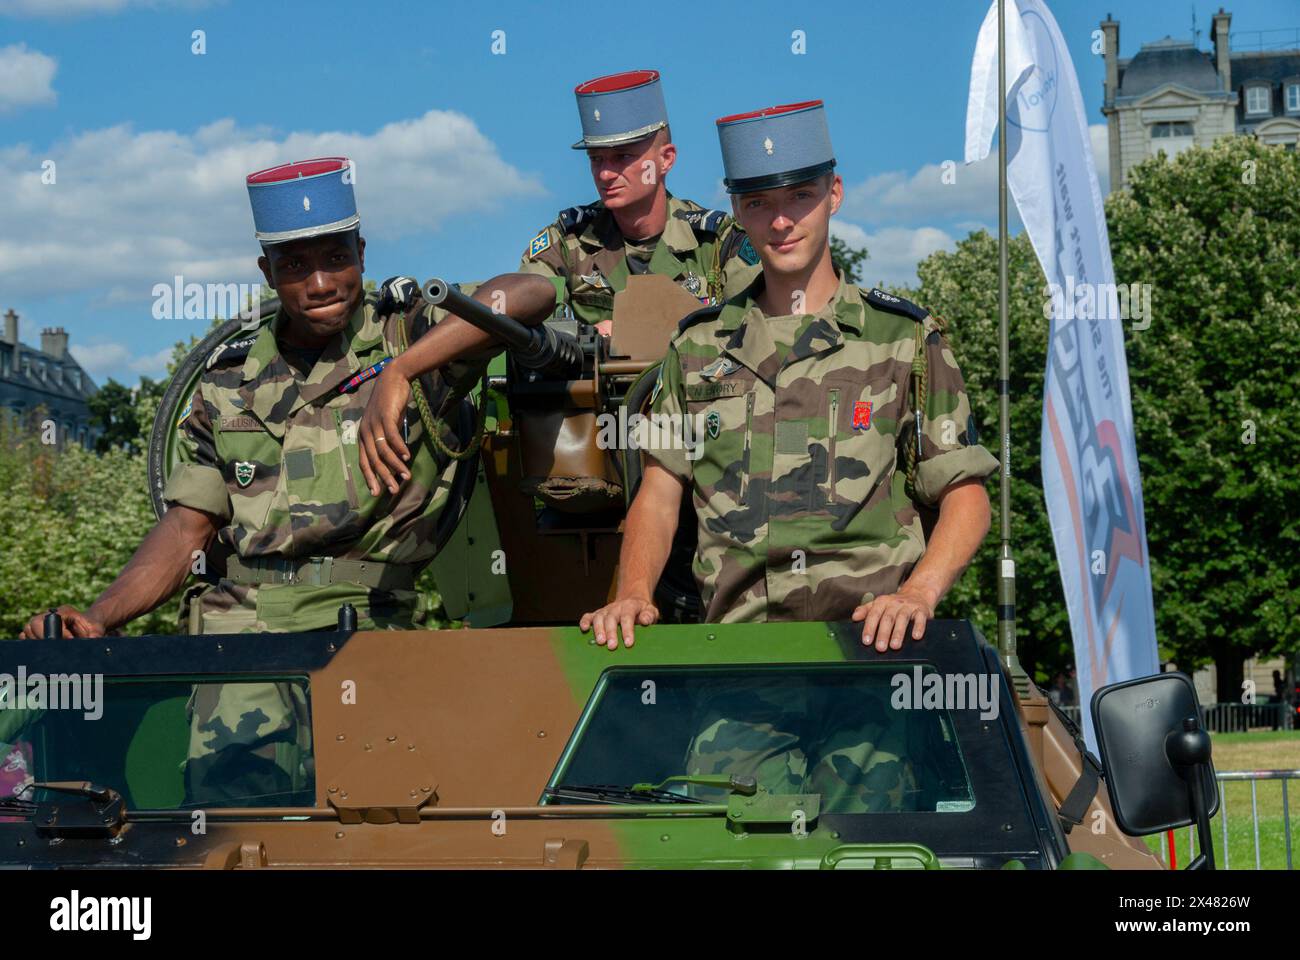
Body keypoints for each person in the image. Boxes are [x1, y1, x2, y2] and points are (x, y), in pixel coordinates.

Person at [19, 156, 556, 803]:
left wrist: (402, 371)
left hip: (369, 634)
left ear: (362, 251)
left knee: (380, 831)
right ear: (267, 272)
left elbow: (529, 294)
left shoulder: (411, 333)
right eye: (297, 265)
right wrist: (101, 615)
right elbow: (189, 524)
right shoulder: (227, 383)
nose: (322, 281)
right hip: (240, 650)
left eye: (336, 257)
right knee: (240, 841)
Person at [579, 101, 999, 811]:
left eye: (800, 196)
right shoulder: (699, 347)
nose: (781, 221)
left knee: (878, 854)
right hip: (741, 670)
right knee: (726, 847)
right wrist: (632, 593)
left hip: (874, 664)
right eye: (760, 203)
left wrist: (920, 592)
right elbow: (659, 492)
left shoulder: (902, 340)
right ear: (738, 214)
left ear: (833, 194)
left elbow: (964, 494)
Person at [517, 69, 760, 335]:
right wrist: (582, 337)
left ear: (666, 159)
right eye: (596, 158)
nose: (605, 173)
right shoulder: (566, 243)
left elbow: (754, 329)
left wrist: (631, 330)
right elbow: (527, 329)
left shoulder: (718, 244)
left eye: (622, 157)